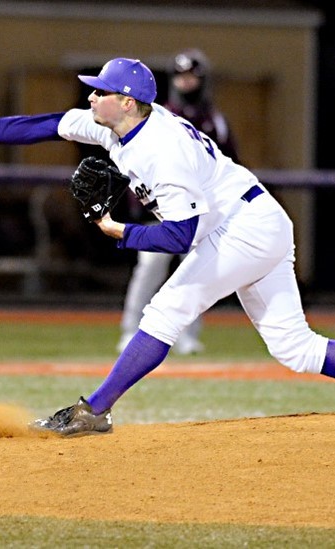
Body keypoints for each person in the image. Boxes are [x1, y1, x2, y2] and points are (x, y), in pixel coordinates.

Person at [0, 57, 335, 436]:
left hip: (242, 230)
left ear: (127, 102)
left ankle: (93, 411)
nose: (91, 95)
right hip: (258, 219)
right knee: (295, 349)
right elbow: (36, 124)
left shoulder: (162, 152)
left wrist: (118, 232)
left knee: (166, 309)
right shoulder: (115, 127)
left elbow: (184, 237)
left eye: (101, 90)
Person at [116, 48, 240, 355]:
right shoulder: (158, 114)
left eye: (191, 77)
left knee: (194, 273)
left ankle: (186, 335)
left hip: (200, 211)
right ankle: (130, 330)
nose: (186, 82)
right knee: (148, 268)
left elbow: (231, 165)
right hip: (159, 206)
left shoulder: (214, 120)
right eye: (180, 76)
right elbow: (138, 160)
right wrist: (140, 203)